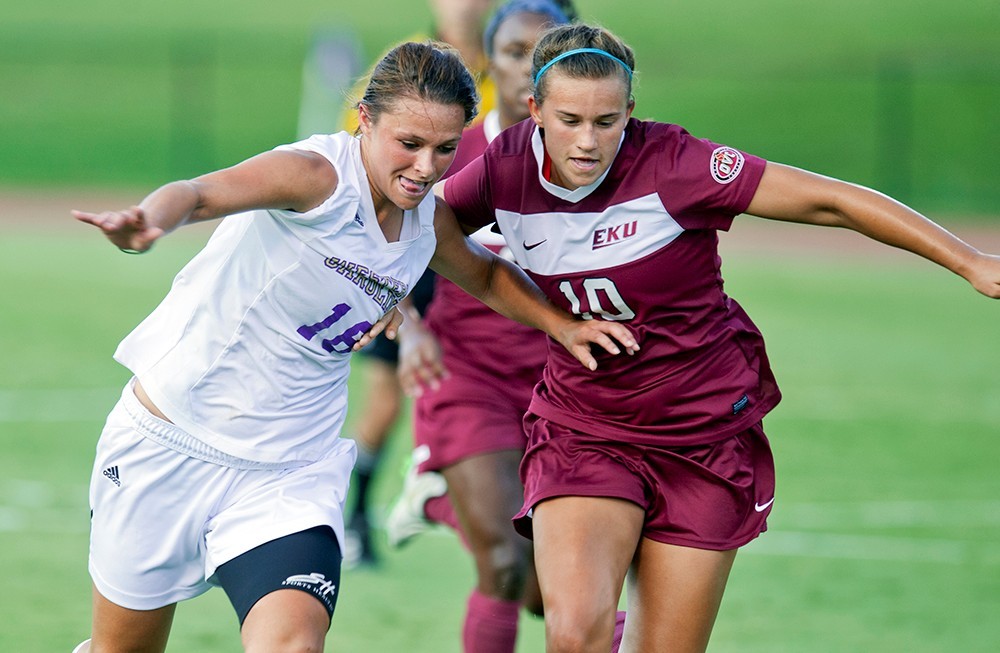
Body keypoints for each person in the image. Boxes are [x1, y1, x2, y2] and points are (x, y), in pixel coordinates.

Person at [437, 23, 1000, 653]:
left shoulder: (679, 163)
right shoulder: (504, 169)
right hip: (586, 427)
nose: (588, 141)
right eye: (569, 120)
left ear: (631, 111)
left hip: (702, 434)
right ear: (535, 108)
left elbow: (831, 202)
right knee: (574, 635)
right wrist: (549, 322)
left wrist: (971, 261)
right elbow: (427, 233)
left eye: (607, 121)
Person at [68, 40, 637, 653]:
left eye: (446, 148)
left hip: (290, 469)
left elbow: (488, 274)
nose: (426, 167)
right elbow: (201, 193)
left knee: (292, 644)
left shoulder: (426, 222)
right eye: (409, 144)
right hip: (170, 444)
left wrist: (565, 325)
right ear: (365, 119)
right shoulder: (317, 177)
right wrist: (151, 219)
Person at [383, 3, 611, 653]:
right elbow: (371, 248)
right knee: (506, 566)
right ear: (489, 59)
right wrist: (410, 325)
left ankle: (440, 496)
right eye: (512, 52)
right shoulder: (450, 154)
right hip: (469, 377)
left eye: (544, 53)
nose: (526, 69)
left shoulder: (607, 162)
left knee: (569, 593)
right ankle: (445, 477)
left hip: (571, 385)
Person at [340, 0, 496, 568]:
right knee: (386, 399)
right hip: (401, 257)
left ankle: (442, 485)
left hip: (464, 253)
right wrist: (401, 305)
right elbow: (358, 177)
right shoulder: (404, 72)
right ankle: (355, 518)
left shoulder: (509, 76)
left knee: (493, 388)